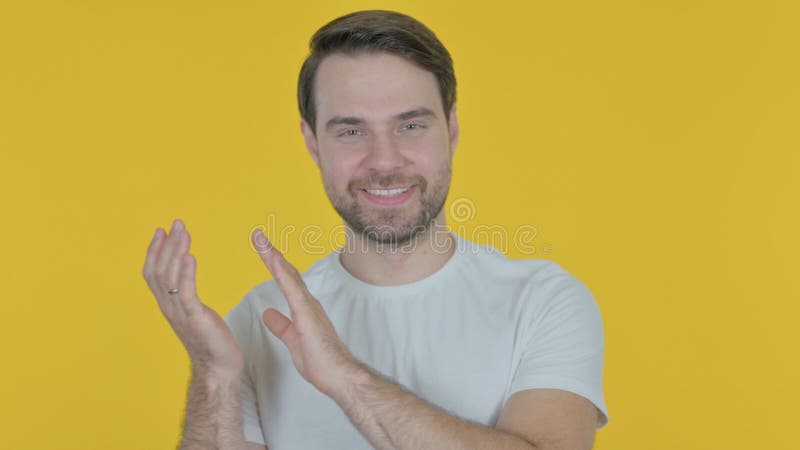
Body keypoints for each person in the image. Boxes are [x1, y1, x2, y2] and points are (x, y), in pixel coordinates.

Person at [142, 9, 608, 450]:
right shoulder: (260, 320)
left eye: (410, 125)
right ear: (311, 142)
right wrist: (213, 374)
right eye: (350, 131)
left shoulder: (544, 301)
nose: (384, 160)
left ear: (451, 128)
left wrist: (345, 377)